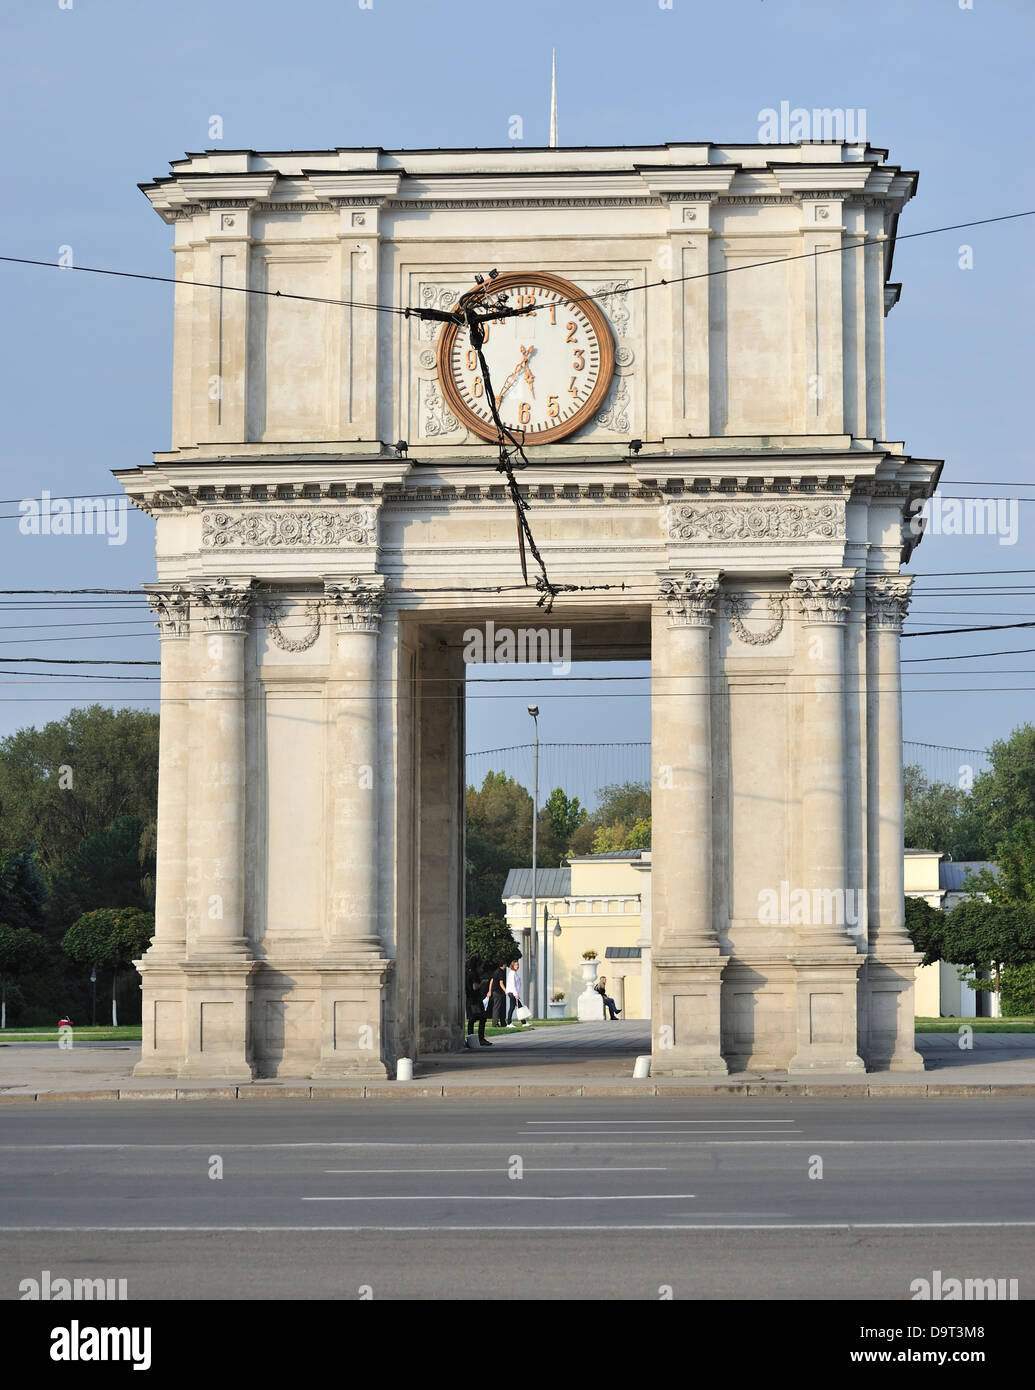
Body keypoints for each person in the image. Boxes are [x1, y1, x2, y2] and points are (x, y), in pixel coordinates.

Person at [465, 962, 492, 1047]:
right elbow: (475, 987)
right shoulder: (474, 975)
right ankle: (480, 1038)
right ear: (477, 967)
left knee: (472, 1019)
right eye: (481, 967)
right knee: (481, 1018)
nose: (482, 969)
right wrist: (483, 983)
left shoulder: (469, 974)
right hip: (475, 1000)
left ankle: (471, 1038)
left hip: (470, 999)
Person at [487, 959, 509, 1028]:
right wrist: (506, 991)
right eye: (505, 964)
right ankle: (495, 1023)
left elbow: (491, 981)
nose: (506, 966)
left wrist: (490, 991)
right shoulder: (500, 972)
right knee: (497, 1007)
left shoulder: (496, 971)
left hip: (494, 991)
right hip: (498, 991)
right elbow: (501, 983)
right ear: (504, 964)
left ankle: (503, 1022)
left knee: (500, 1007)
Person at [505, 958, 524, 1027]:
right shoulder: (512, 973)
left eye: (518, 965)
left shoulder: (514, 973)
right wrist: (516, 994)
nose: (517, 966)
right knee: (515, 1007)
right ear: (512, 966)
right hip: (513, 993)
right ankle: (509, 1023)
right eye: (515, 965)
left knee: (517, 1007)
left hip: (513, 993)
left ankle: (523, 1022)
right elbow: (512, 985)